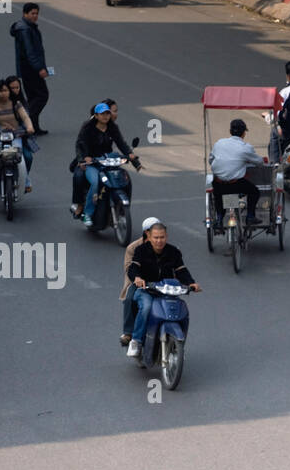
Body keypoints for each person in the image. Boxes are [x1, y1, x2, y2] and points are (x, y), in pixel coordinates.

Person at [124, 222, 199, 359]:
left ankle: (178, 344)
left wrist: (191, 283)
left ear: (166, 236)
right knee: (146, 307)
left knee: (181, 311)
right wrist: (137, 278)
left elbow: (181, 270)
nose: (159, 241)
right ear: (150, 237)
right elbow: (133, 268)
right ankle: (136, 341)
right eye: (156, 237)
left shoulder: (173, 252)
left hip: (167, 291)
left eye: (162, 237)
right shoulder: (141, 250)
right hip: (146, 290)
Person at [71, 102, 137, 226]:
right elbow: (80, 144)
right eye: (102, 114)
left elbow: (121, 143)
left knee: (124, 178)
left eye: (107, 113)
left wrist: (129, 154)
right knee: (96, 182)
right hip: (92, 162)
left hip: (107, 160)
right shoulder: (87, 128)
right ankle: (88, 214)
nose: (106, 116)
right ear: (96, 115)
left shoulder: (112, 127)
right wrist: (84, 158)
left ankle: (121, 210)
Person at [0, 79, 36, 193]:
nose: (4, 93)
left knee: (23, 156)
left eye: (6, 90)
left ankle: (26, 181)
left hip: (16, 135)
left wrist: (29, 127)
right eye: (1, 91)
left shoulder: (18, 104)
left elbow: (25, 117)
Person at [209, 118, 263, 226]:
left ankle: (219, 218)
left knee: (218, 193)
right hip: (235, 185)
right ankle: (250, 216)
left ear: (230, 132)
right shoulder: (245, 148)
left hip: (219, 184)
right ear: (244, 133)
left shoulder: (219, 143)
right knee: (254, 192)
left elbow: (211, 160)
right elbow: (260, 162)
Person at [119, 216, 159, 348]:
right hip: (137, 283)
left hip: (160, 283)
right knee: (129, 298)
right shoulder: (133, 248)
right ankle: (128, 332)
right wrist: (139, 279)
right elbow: (129, 268)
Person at [11, 3, 49, 134]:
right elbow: (30, 52)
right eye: (32, 13)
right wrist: (40, 68)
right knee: (42, 95)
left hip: (27, 67)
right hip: (30, 68)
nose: (35, 16)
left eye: (36, 13)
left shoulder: (28, 27)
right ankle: (26, 123)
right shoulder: (25, 29)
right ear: (25, 14)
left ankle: (34, 127)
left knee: (33, 97)